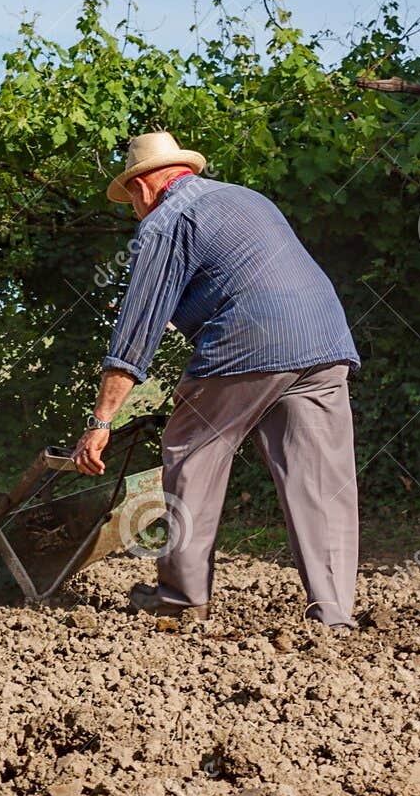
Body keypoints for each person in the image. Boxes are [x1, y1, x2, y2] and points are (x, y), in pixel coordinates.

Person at [71, 131, 361, 630]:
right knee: (321, 481)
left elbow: (135, 334)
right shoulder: (246, 198)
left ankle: (182, 601)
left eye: (131, 201)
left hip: (250, 341)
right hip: (325, 339)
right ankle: (333, 613)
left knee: (192, 454)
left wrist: (101, 420)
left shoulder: (165, 222)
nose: (133, 210)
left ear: (143, 188)